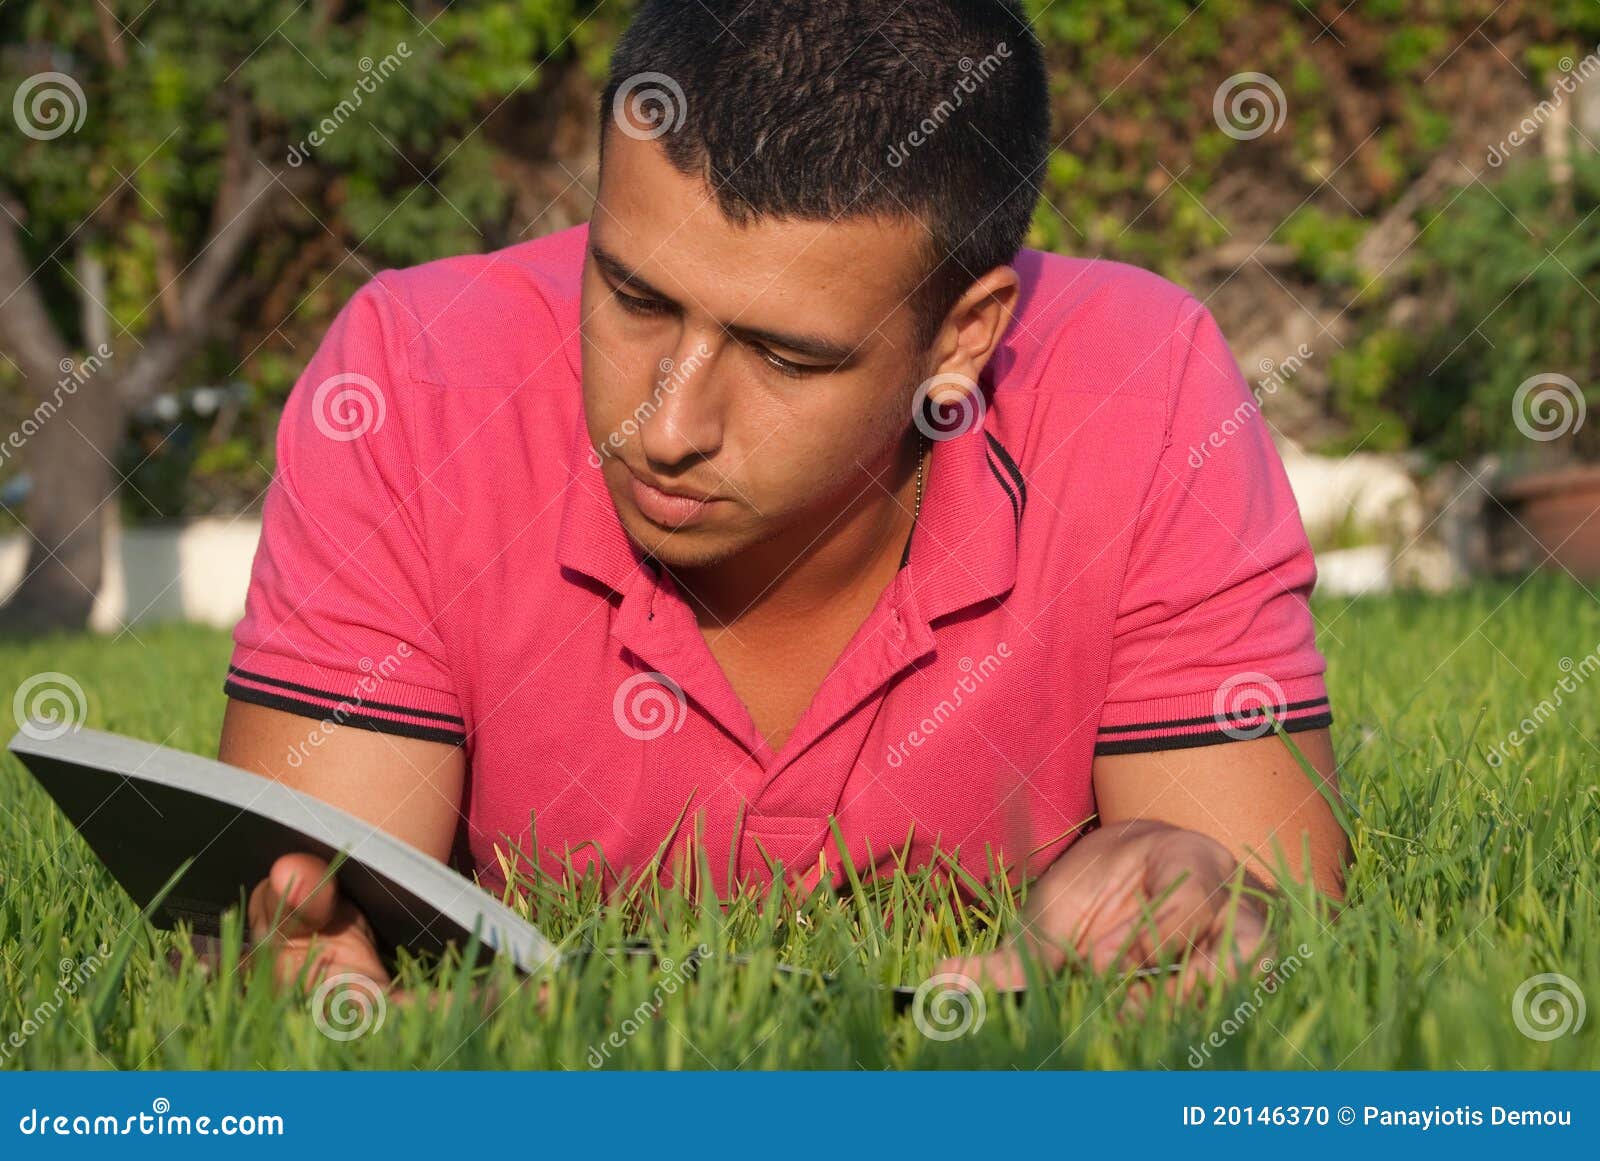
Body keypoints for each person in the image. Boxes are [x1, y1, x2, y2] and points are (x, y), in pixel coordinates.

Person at [220, 0, 1347, 998]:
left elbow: (1257, 901)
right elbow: (303, 904)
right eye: (633, 298)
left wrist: (1204, 899)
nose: (667, 427)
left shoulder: (1139, 390)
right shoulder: (417, 379)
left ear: (963, 338)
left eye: (786, 357)